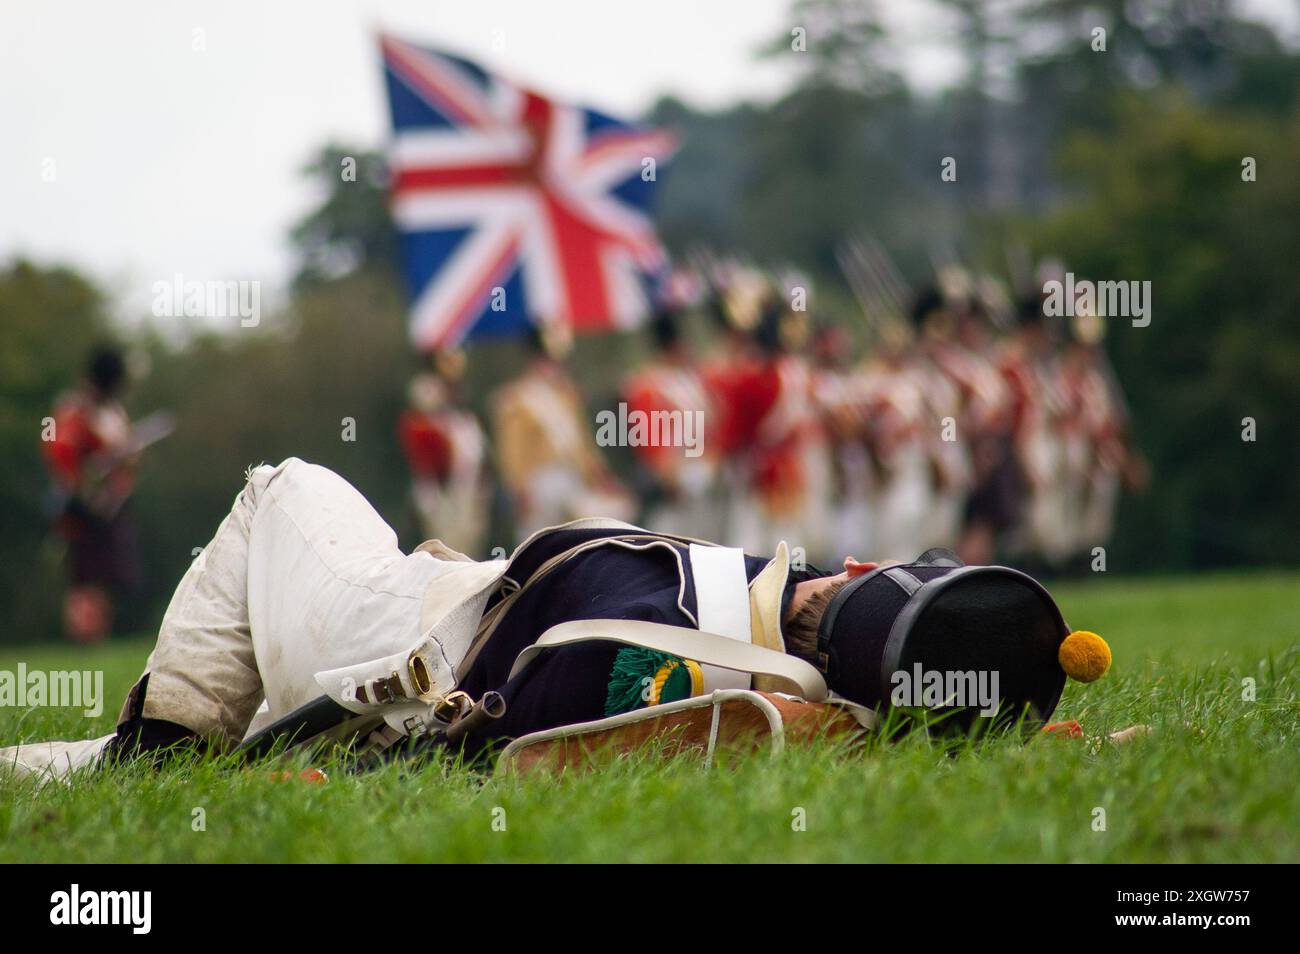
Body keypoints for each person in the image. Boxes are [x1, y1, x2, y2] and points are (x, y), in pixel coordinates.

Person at [2, 456, 1085, 780]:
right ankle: (125, 755)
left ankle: (154, 753)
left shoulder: (667, 631)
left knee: (281, 486)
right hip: (449, 609)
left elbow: (513, 727)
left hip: (387, 654)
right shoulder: (803, 703)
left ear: (851, 568)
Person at [490, 325, 632, 541]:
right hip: (540, 483)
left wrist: (601, 475)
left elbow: (582, 444)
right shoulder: (516, 400)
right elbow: (512, 452)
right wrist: (519, 490)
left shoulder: (567, 395)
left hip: (573, 478)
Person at [42, 347, 143, 642]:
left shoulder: (110, 412)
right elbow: (59, 450)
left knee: (103, 580)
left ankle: (95, 638)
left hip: (109, 506)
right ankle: (83, 638)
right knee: (84, 580)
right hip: (81, 507)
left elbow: (126, 462)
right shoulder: (75, 410)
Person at [620, 308, 720, 541]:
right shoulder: (647, 384)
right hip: (670, 484)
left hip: (701, 475)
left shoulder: (691, 382)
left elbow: (710, 428)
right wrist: (668, 478)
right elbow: (650, 440)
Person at [397, 351, 490, 557]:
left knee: (468, 547)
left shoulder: (464, 414)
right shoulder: (423, 418)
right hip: (439, 493)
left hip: (468, 490)